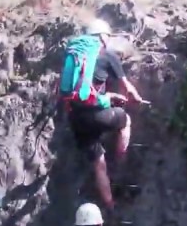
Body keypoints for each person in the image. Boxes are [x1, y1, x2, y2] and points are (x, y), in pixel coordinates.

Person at [56, 18, 145, 212]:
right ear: (103, 37)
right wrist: (136, 99)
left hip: (75, 118)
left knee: (98, 162)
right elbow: (128, 89)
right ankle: (120, 160)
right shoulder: (107, 55)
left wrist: (109, 96)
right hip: (96, 115)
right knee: (125, 121)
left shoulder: (76, 55)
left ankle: (110, 205)